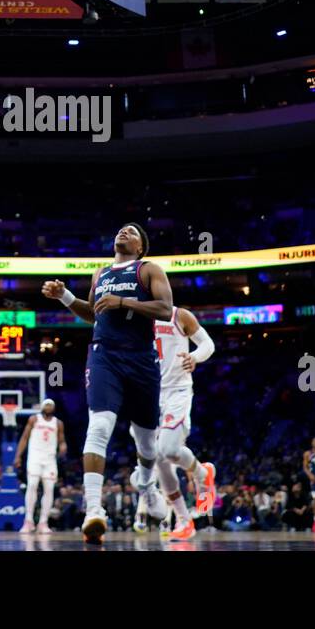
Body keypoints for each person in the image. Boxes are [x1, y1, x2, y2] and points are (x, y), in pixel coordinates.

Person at [41, 222, 173, 544]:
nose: (123, 232)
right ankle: (94, 510)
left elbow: (166, 310)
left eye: (132, 232)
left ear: (141, 247)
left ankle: (146, 485)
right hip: (104, 356)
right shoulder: (99, 274)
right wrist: (65, 297)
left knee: (147, 445)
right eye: (121, 230)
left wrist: (124, 302)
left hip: (141, 359)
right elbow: (94, 314)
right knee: (99, 427)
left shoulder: (149, 269)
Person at [136, 305, 216, 540]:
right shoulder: (135, 318)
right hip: (149, 395)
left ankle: (202, 474)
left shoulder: (179, 315)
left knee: (168, 449)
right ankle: (184, 520)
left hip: (177, 391)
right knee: (159, 460)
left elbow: (208, 344)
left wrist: (194, 357)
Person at [14, 398, 66, 534]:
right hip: (34, 458)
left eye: (51, 405)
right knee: (32, 485)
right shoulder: (34, 419)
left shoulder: (58, 423)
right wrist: (18, 456)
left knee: (49, 489)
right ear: (42, 407)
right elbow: (24, 438)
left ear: (53, 408)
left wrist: (63, 448)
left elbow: (62, 441)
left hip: (50, 460)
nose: (48, 407)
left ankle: (43, 522)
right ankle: (29, 521)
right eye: (46, 404)